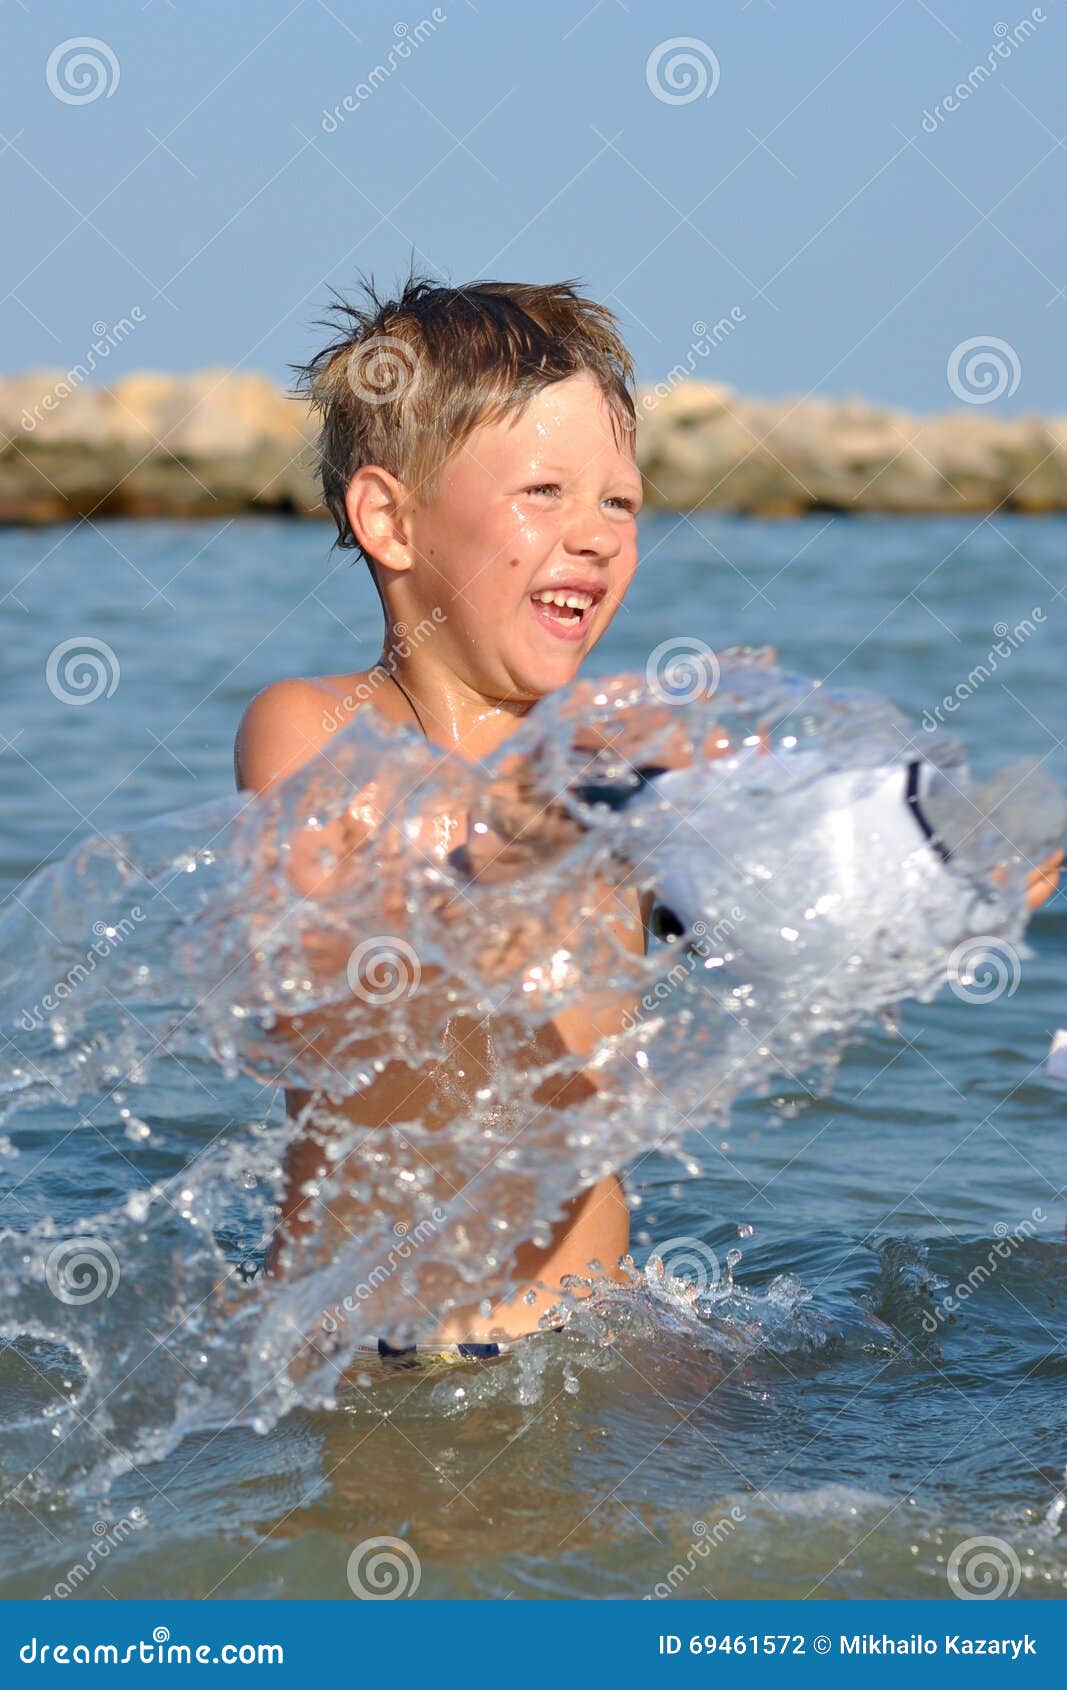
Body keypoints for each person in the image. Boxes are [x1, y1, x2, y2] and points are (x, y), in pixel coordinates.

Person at [234, 273, 1061, 1368]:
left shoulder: (620, 759)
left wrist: (928, 883)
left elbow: (778, 936)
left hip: (594, 1338)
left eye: (618, 502)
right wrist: (513, 846)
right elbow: (318, 998)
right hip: (376, 1355)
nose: (592, 535)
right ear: (389, 517)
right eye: (544, 491)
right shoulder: (318, 727)